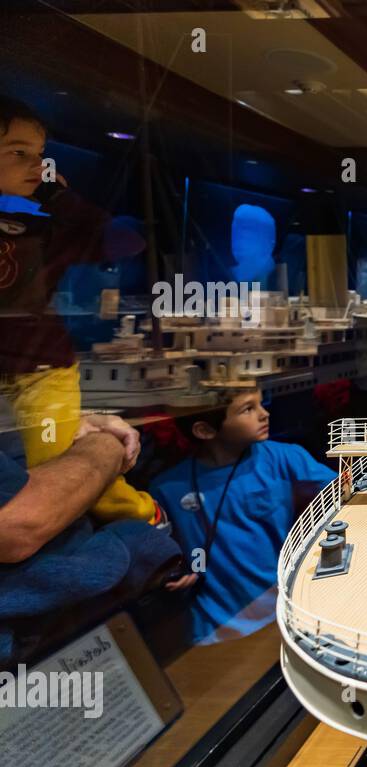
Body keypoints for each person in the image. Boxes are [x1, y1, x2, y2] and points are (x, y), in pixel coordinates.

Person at [0, 94, 160, 525]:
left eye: (40, 156)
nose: (37, 166)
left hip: (42, 370)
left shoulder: (38, 228)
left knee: (58, 474)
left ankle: (144, 517)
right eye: (19, 153)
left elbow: (127, 244)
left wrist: (58, 199)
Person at [148, 389, 335, 645]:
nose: (264, 413)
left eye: (260, 403)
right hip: (215, 628)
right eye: (248, 409)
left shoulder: (285, 458)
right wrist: (193, 569)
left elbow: (344, 496)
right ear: (204, 430)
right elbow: (196, 547)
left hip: (284, 612)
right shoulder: (169, 487)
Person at [1, 412, 181, 666]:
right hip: (36, 639)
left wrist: (73, 423)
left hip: (72, 626)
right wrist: (104, 443)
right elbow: (20, 524)